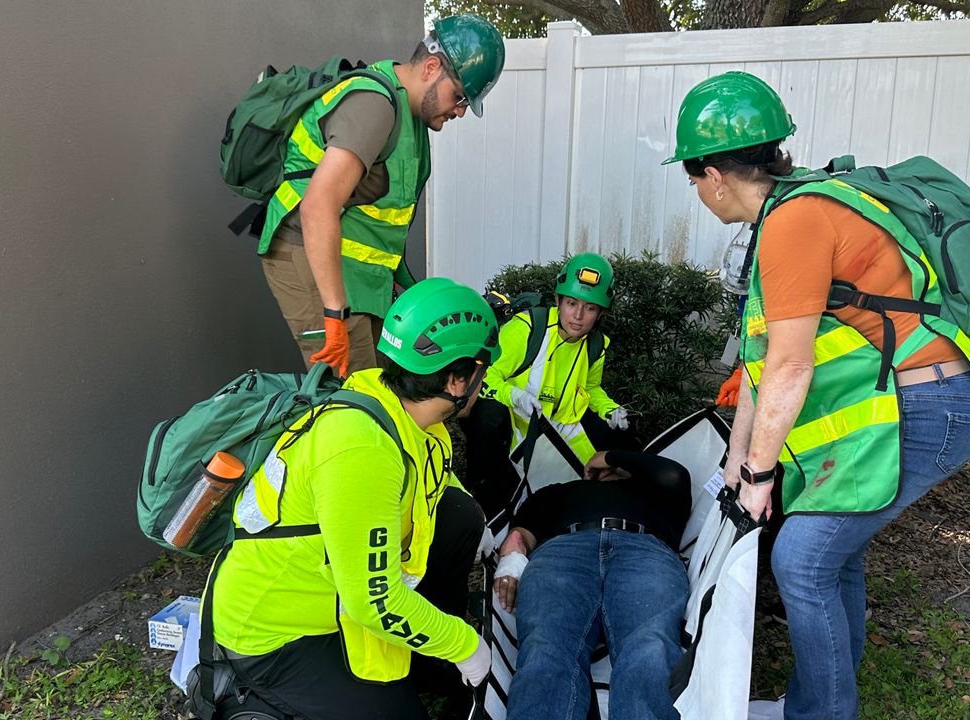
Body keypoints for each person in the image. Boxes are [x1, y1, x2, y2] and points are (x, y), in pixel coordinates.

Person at [665, 71, 970, 720]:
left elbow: (791, 369)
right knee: (831, 553)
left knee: (800, 560)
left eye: (691, 179)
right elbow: (762, 364)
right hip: (918, 405)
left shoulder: (795, 223)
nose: (697, 193)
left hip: (931, 408)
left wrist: (761, 475)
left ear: (711, 174)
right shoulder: (788, 214)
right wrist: (737, 462)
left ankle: (820, 714)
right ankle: (823, 698)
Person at [206, 278, 500, 719]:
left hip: (335, 594)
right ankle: (257, 695)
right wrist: (465, 645)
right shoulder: (360, 449)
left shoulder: (398, 407)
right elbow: (373, 601)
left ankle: (422, 655)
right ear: (458, 379)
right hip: (277, 632)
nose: (485, 383)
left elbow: (432, 478)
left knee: (457, 515)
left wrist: (481, 524)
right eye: (483, 371)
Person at [256, 15, 505, 372]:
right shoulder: (375, 105)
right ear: (432, 67)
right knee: (353, 394)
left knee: (383, 381)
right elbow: (317, 206)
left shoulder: (411, 116)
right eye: (461, 96)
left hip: (358, 272)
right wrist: (333, 314)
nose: (461, 112)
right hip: (310, 258)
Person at [493, 449, 691, 720]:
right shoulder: (561, 491)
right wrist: (511, 561)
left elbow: (674, 473)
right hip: (563, 549)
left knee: (650, 644)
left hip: (645, 549)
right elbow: (521, 533)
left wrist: (609, 456)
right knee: (546, 645)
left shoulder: (660, 491)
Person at [460, 253, 634, 516]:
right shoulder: (528, 328)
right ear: (558, 300)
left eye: (589, 308)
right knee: (488, 417)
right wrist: (514, 396)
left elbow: (592, 388)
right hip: (511, 422)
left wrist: (611, 410)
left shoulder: (596, 345)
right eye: (571, 303)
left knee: (608, 454)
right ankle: (479, 500)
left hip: (558, 426)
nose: (578, 315)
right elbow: (485, 377)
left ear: (600, 313)